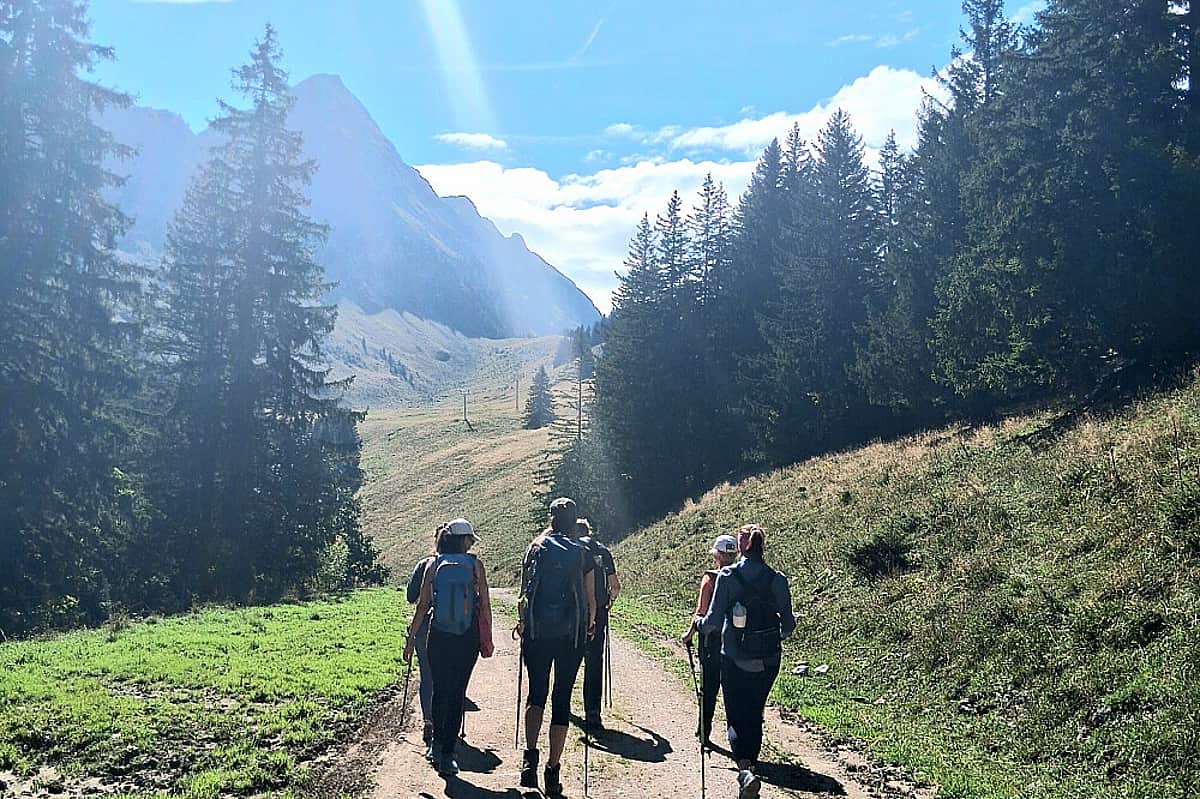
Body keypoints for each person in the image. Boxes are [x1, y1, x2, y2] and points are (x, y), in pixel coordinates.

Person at [696, 524, 795, 799]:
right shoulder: (777, 579)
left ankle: (745, 769)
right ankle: (751, 760)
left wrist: (699, 624)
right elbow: (788, 625)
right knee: (755, 710)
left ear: (740, 547)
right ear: (762, 546)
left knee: (737, 717)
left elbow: (713, 622)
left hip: (735, 658)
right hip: (769, 660)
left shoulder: (727, 576)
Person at [517, 497, 597, 798]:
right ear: (574, 519)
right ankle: (553, 770)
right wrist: (589, 625)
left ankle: (530, 758)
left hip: (538, 634)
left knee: (536, 694)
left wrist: (523, 625)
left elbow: (524, 594)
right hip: (570, 637)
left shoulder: (535, 546)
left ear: (551, 518)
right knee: (561, 699)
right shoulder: (583, 552)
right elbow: (590, 601)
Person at [403, 519, 493, 777]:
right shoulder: (476, 566)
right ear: (463, 541)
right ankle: (448, 754)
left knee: (440, 690)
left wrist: (410, 640)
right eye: (470, 539)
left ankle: (435, 743)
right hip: (466, 638)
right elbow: (484, 606)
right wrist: (486, 638)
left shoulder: (433, 564)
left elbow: (422, 605)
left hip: (438, 635)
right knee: (457, 692)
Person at [682, 533, 738, 749]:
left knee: (709, 688)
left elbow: (701, 612)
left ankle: (704, 730)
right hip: (735, 642)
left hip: (711, 641)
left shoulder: (710, 579)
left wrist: (689, 634)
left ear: (717, 555)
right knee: (733, 690)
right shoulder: (739, 576)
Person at [576, 517, 620, 731]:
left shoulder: (572, 548)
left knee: (568, 658)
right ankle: (593, 712)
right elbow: (615, 586)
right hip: (599, 613)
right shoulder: (603, 551)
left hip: (572, 613)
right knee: (594, 661)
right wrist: (607, 605)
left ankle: (562, 705)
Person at [404, 537, 438, 747]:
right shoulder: (467, 564)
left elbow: (410, 596)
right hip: (457, 630)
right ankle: (447, 723)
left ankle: (428, 722)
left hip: (425, 626)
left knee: (427, 676)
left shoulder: (425, 564)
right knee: (450, 678)